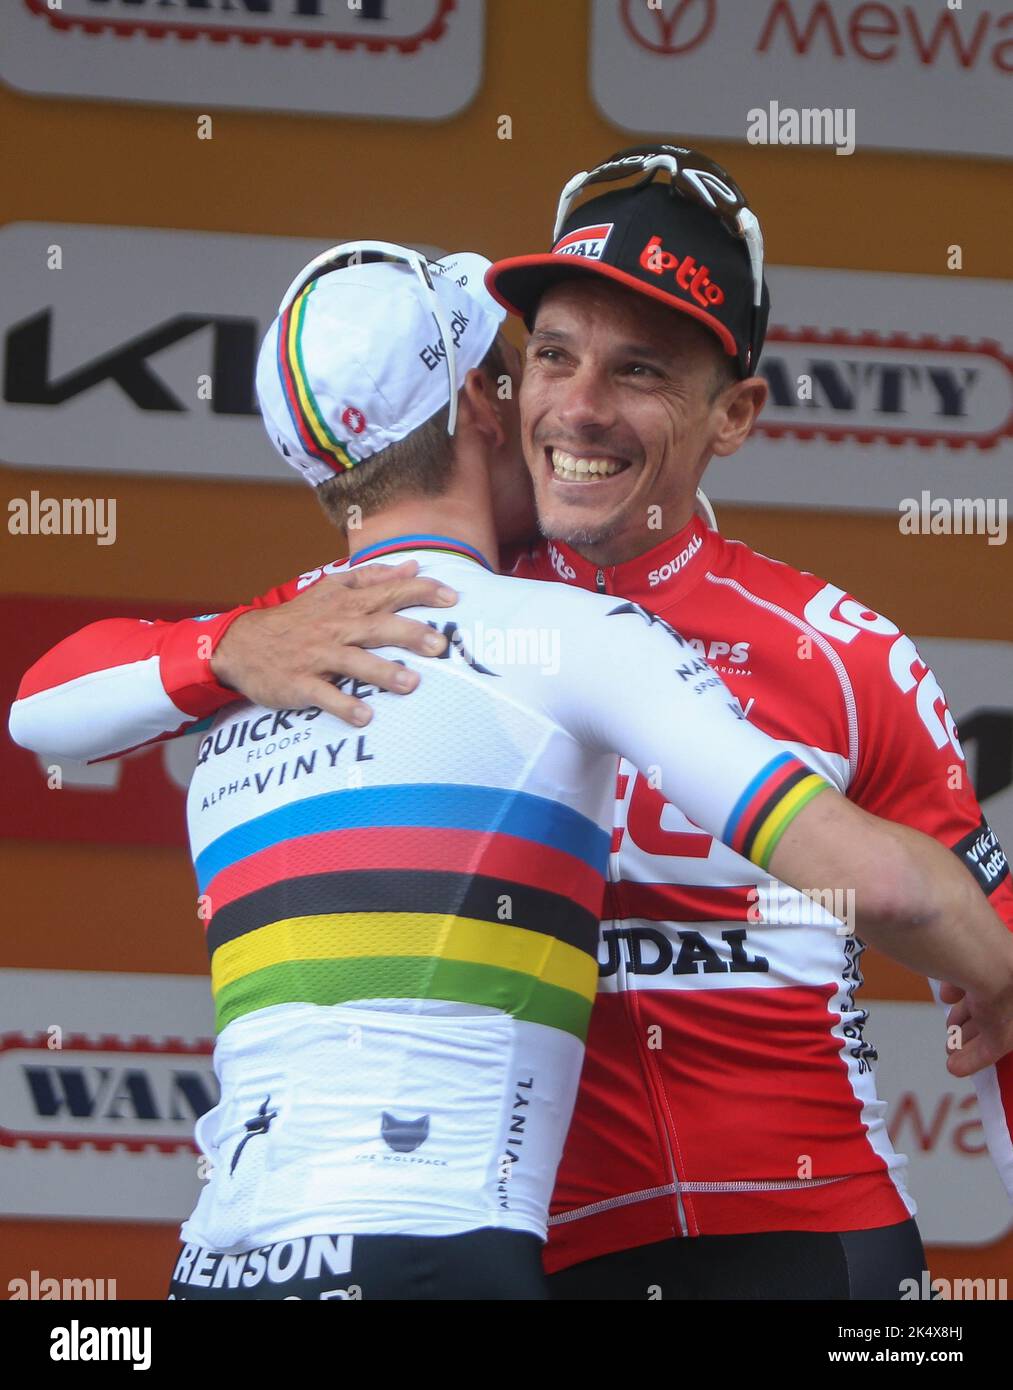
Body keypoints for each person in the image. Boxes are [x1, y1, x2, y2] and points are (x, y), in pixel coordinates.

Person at [11, 152, 1013, 1300]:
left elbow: (986, 975)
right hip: (542, 1254)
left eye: (638, 370)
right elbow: (55, 694)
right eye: (549, 357)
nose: (580, 406)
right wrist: (229, 644)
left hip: (809, 1241)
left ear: (729, 414)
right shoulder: (377, 614)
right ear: (494, 389)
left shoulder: (841, 649)